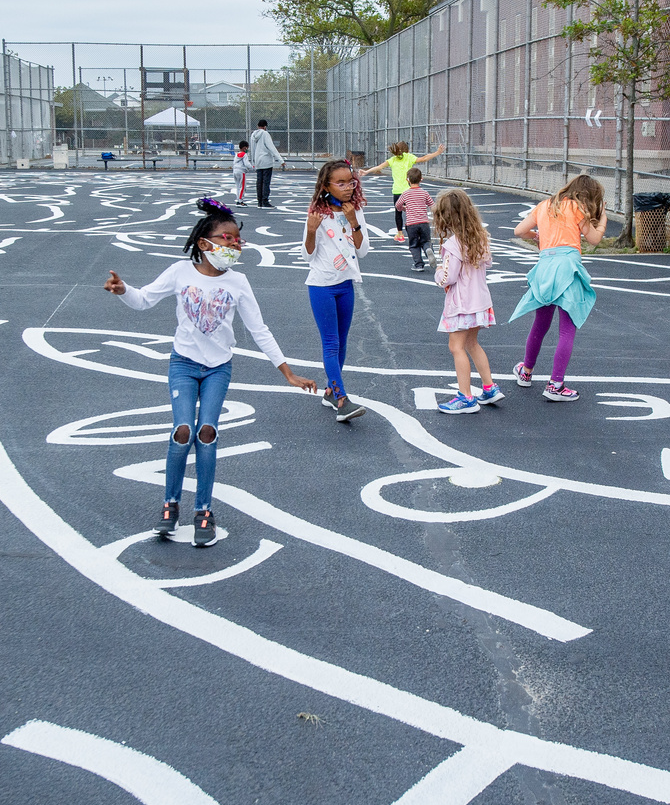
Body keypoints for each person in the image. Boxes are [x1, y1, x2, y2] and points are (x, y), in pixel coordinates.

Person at [102, 198, 316, 546]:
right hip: (183, 365)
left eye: (237, 240)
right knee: (183, 431)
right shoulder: (179, 271)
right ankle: (170, 506)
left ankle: (204, 511)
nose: (235, 245)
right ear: (204, 244)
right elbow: (143, 300)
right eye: (227, 238)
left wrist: (288, 373)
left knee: (207, 432)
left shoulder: (239, 282)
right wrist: (123, 290)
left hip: (218, 369)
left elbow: (259, 330)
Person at [510, 174, 609, 402]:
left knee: (540, 324)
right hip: (568, 268)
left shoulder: (546, 205)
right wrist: (603, 218)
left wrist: (537, 236)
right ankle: (556, 384)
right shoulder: (577, 208)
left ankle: (526, 372)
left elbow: (518, 231)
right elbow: (594, 238)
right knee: (567, 329)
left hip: (545, 266)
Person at [304, 161, 372, 421]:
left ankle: (331, 391)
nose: (347, 188)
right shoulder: (317, 213)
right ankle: (341, 400)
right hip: (322, 285)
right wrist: (311, 231)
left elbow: (362, 251)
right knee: (331, 343)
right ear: (326, 185)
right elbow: (307, 255)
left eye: (350, 182)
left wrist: (354, 221)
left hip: (346, 285)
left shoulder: (355, 211)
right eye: (340, 183)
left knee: (342, 342)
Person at [433, 189, 504, 413]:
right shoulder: (480, 237)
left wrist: (438, 272)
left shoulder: (453, 245)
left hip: (462, 304)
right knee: (472, 344)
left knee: (456, 347)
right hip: (480, 301)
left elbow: (449, 277)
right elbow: (487, 262)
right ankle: (489, 387)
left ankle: (466, 397)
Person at [363, 141, 445, 241]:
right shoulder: (409, 157)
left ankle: (400, 234)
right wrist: (437, 152)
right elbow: (424, 158)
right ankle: (416, 231)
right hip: (409, 191)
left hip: (397, 191)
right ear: (407, 150)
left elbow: (379, 167)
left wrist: (366, 171)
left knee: (398, 213)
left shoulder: (392, 160)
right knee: (412, 211)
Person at [396, 167, 436, 272]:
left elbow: (398, 205)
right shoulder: (424, 193)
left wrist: (403, 208)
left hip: (411, 224)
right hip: (424, 222)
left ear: (407, 180)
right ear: (421, 179)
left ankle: (419, 265)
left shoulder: (405, 193)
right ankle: (428, 250)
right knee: (426, 241)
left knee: (414, 245)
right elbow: (432, 205)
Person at [248, 119, 285, 208]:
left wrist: (253, 161)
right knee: (266, 182)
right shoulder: (265, 134)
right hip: (266, 161)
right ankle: (265, 201)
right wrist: (281, 160)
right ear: (265, 127)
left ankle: (259, 202)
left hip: (258, 161)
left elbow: (252, 149)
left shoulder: (253, 135)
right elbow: (271, 147)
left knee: (259, 182)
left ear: (258, 126)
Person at [231, 140, 252, 206]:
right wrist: (253, 167)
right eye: (247, 148)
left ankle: (238, 199)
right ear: (244, 148)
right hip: (241, 171)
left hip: (235, 171)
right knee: (243, 186)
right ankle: (240, 201)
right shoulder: (244, 155)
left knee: (238, 186)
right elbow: (247, 164)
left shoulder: (237, 154)